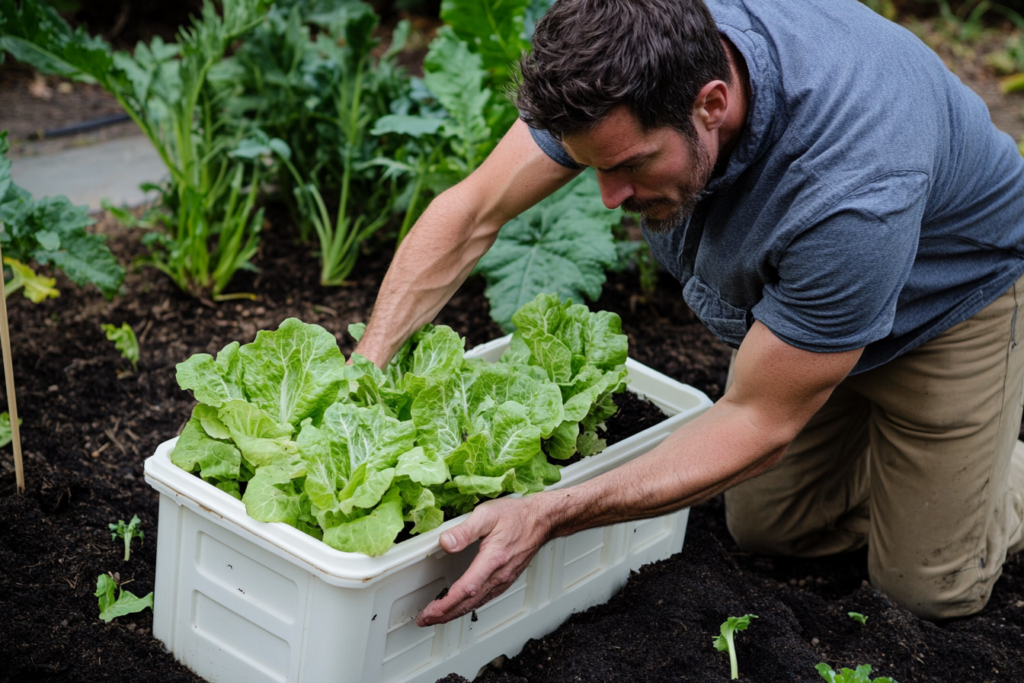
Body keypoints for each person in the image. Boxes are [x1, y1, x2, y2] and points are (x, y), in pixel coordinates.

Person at [353, 0, 1024, 624]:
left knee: (926, 589)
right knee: (772, 528)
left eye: (630, 166)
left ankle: (997, 474)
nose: (610, 196)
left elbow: (758, 420)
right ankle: (907, 454)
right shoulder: (635, 55)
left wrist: (549, 513)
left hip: (948, 302)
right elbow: (473, 211)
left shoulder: (852, 190)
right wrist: (361, 372)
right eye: (591, 168)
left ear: (712, 103)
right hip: (810, 312)